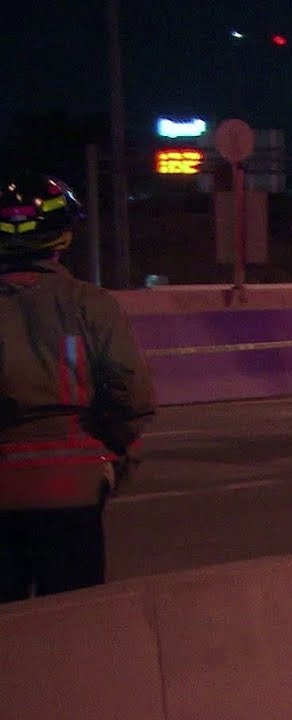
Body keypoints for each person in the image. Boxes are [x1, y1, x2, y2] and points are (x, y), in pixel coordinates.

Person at [0, 172, 155, 602]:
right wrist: (112, 449)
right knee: (73, 623)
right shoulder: (92, 305)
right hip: (74, 486)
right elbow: (130, 393)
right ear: (63, 235)